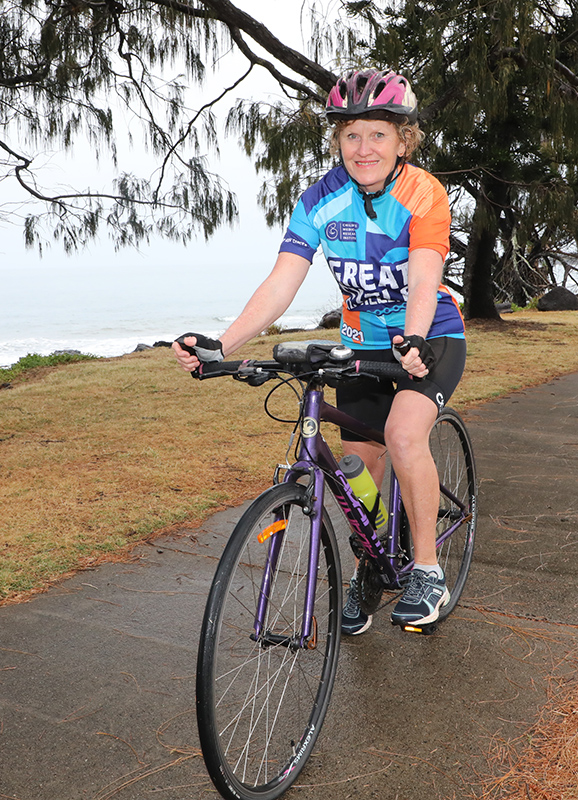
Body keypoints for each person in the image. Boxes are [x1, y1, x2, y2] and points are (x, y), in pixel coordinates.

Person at [174, 68, 466, 634]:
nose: (364, 148)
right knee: (359, 469)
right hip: (361, 345)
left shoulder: (423, 193)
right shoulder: (319, 201)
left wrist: (414, 338)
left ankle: (427, 569)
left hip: (429, 336)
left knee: (405, 437)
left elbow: (426, 275)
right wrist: (221, 344)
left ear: (403, 140)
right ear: (337, 140)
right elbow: (282, 282)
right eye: (352, 134)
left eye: (378, 134)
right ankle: (371, 570)